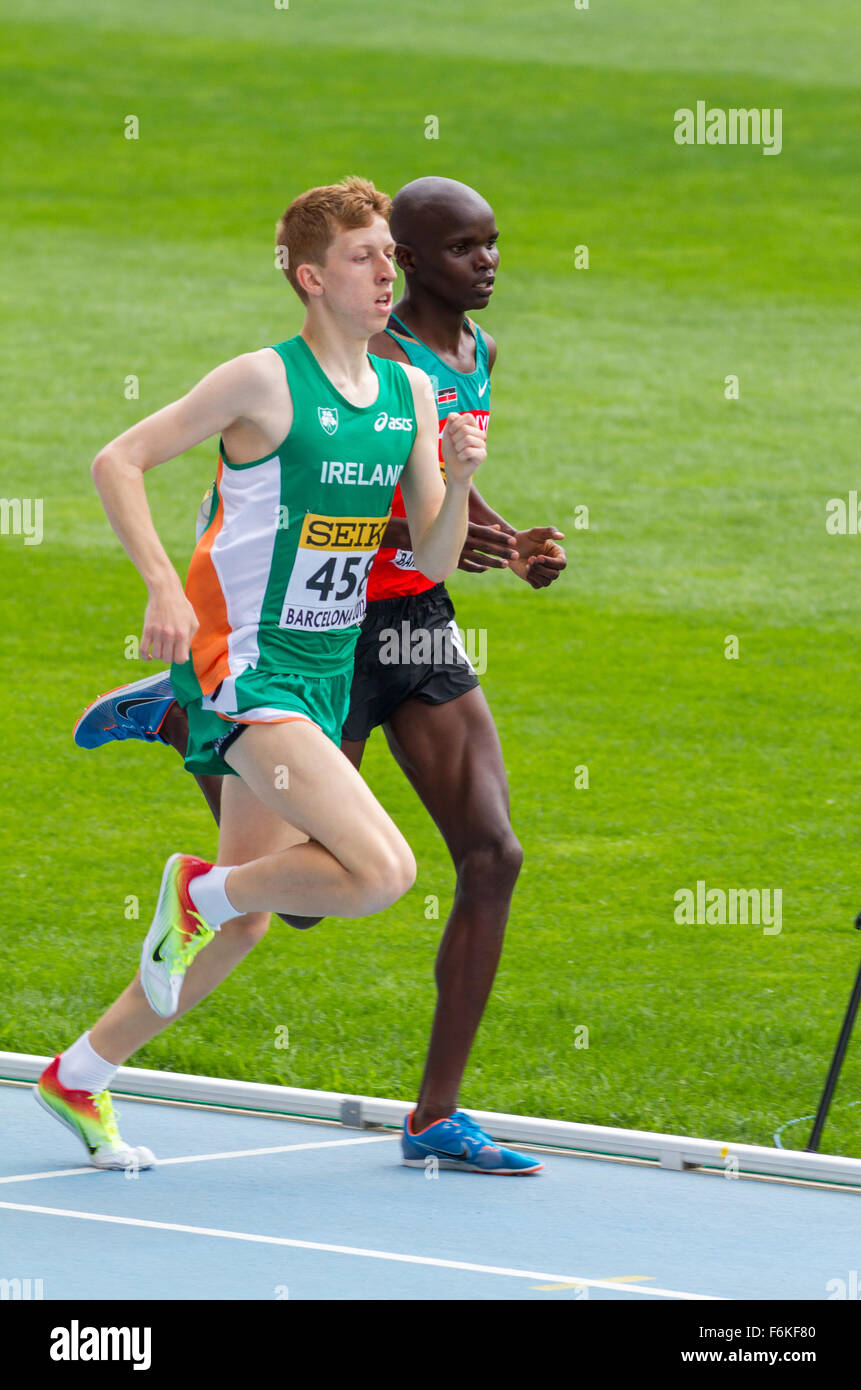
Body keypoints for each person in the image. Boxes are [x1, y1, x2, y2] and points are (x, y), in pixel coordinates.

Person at [38, 176, 536, 1177]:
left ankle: (80, 1071)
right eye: (365, 256)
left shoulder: (410, 392)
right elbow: (119, 460)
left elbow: (432, 562)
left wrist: (460, 470)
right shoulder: (260, 382)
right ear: (311, 279)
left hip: (325, 663)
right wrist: (162, 594)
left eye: (391, 252)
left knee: (253, 916)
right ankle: (195, 886)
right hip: (244, 662)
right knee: (383, 871)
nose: (386, 268)